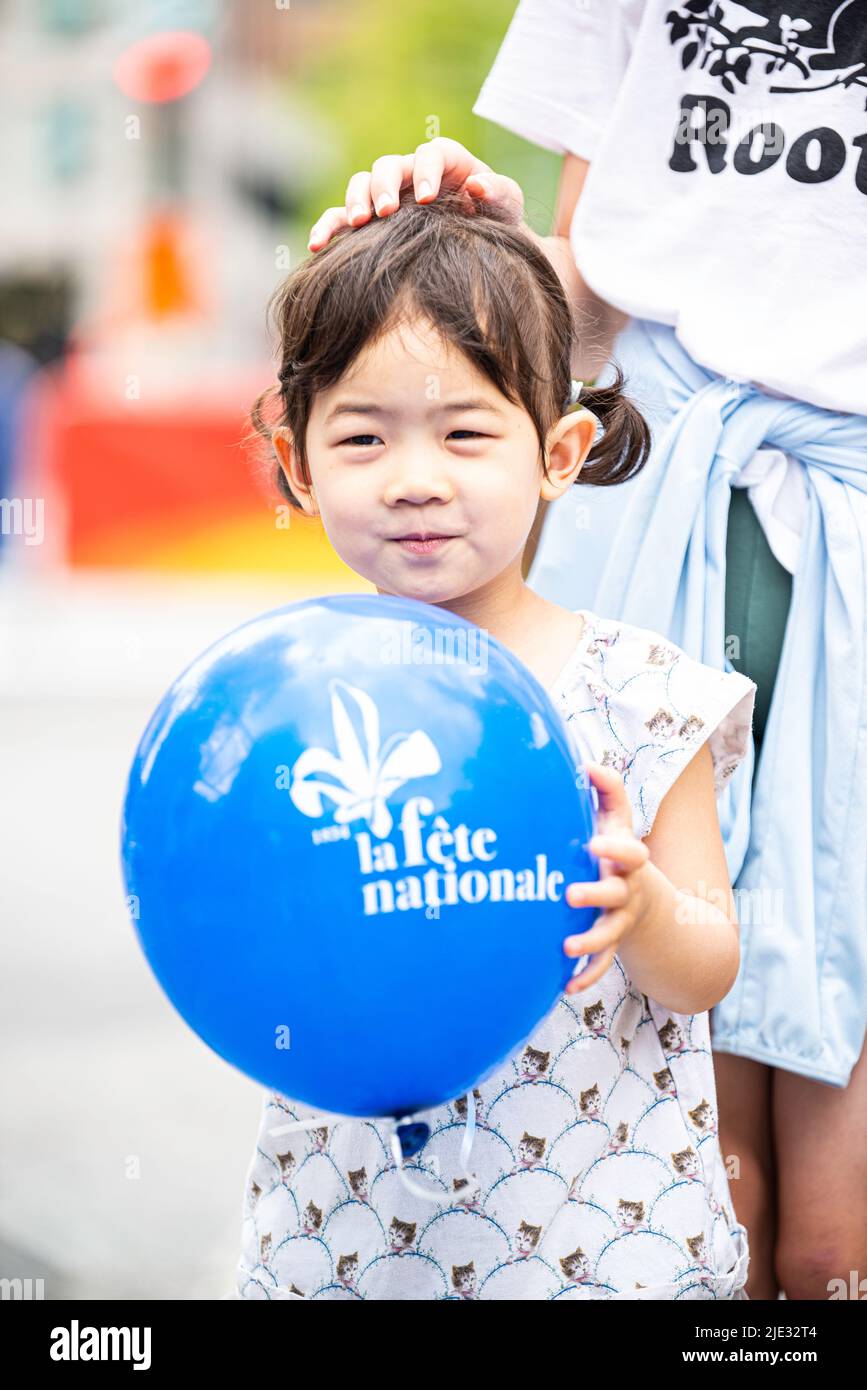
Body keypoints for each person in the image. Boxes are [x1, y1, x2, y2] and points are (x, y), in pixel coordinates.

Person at [306, 0, 867, 1300]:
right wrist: (475, 248)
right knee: (699, 1157)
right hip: (660, 511)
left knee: (834, 1243)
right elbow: (596, 285)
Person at [232, 186, 756, 1300]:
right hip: (355, 1230)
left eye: (466, 433)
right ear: (298, 462)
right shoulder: (276, 704)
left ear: (559, 451)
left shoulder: (644, 695)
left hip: (598, 1235)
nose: (416, 477)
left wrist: (645, 905)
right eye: (363, 436)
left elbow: (708, 967)